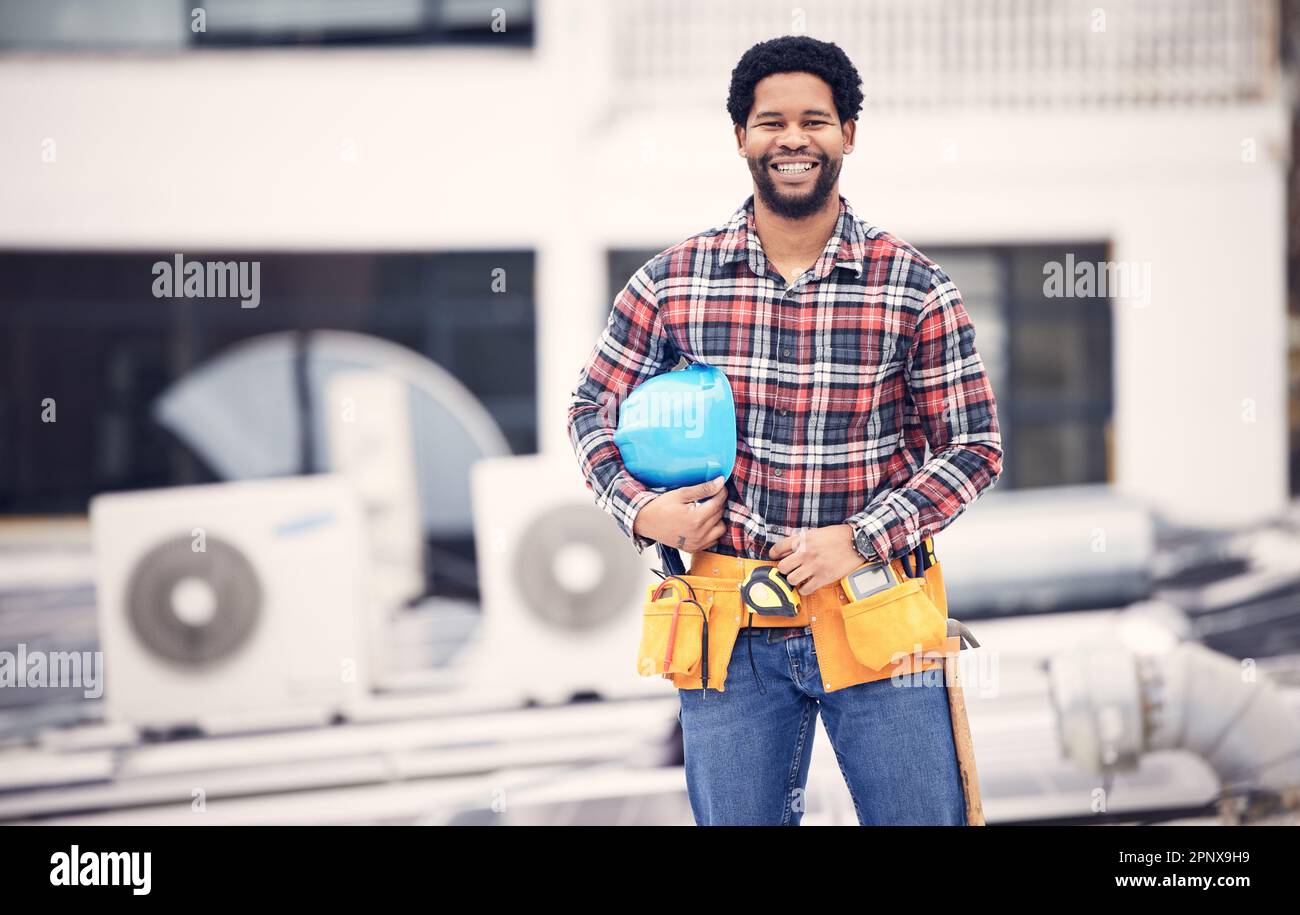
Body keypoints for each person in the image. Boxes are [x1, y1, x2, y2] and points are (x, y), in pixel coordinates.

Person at [566, 35, 1003, 825]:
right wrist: (643, 511)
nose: (793, 139)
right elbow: (589, 409)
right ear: (741, 137)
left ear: (848, 134)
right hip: (727, 629)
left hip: (875, 612)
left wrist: (861, 537)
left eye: (816, 120)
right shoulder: (671, 282)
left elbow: (974, 445)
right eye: (771, 122)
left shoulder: (915, 287)